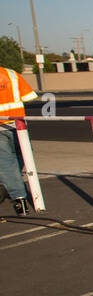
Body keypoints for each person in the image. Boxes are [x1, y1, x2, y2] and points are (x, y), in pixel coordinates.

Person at [0, 66, 38, 215]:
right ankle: (13, 187)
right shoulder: (11, 74)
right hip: (18, 124)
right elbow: (28, 96)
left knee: (6, 163)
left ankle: (18, 197)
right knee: (24, 155)